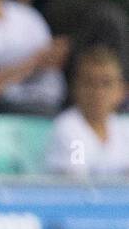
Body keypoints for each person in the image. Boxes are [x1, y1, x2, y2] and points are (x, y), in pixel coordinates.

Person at [44, 44, 129, 177]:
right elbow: (78, 183)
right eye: (89, 83)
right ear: (75, 87)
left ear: (122, 90)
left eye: (106, 83)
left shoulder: (125, 128)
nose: (98, 92)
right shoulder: (69, 128)